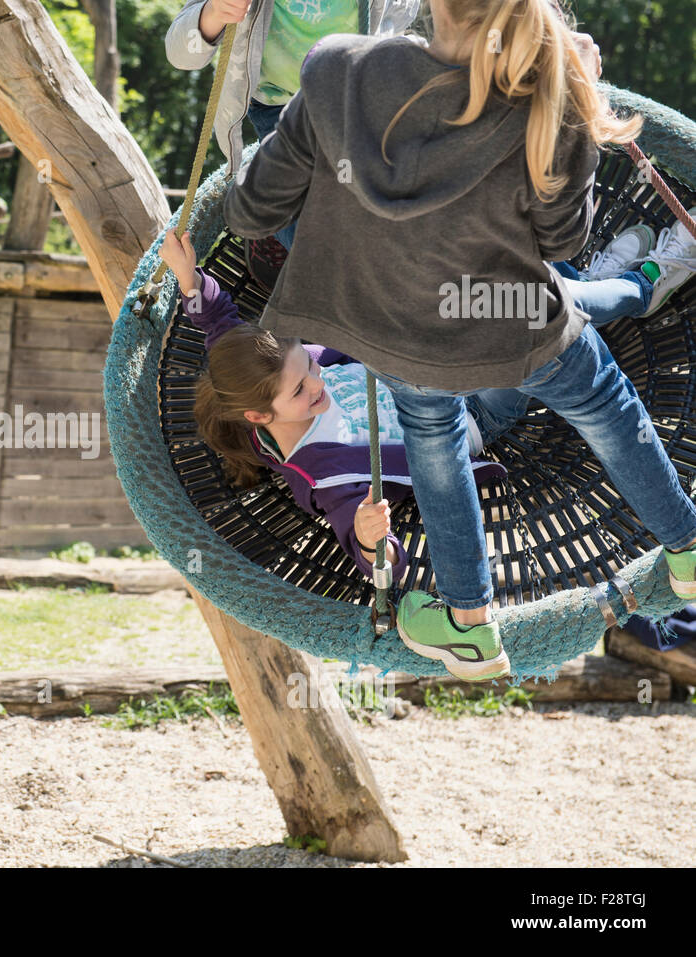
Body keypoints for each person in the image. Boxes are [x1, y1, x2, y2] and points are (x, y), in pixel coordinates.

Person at [214, 0, 696, 680]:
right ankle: (686, 542)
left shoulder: (335, 72)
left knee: (434, 441)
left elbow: (250, 211)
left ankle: (468, 622)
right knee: (605, 407)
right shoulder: (545, 99)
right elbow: (563, 241)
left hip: (400, 336)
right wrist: (578, 108)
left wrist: (326, 169)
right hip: (522, 321)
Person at [159, 225, 695, 629]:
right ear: (261, 417)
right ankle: (636, 286)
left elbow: (220, 324)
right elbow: (374, 555)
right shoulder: (324, 474)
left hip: (437, 355)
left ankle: (592, 283)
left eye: (312, 364)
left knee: (509, 288)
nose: (317, 381)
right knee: (535, 330)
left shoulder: (257, 373)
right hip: (473, 414)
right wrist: (374, 544)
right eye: (301, 390)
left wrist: (188, 278)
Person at [165, 0, 423, 252]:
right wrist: (214, 12)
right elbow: (180, 54)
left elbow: (407, 25)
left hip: (356, 104)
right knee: (307, 239)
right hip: (279, 112)